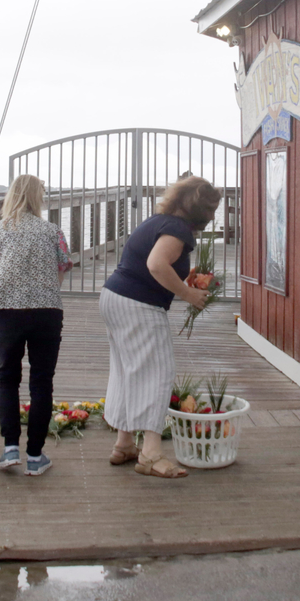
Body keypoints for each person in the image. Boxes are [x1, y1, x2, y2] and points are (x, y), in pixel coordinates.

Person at [99, 175, 223, 478]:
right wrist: (189, 294)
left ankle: (124, 443)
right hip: (138, 304)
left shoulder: (160, 220)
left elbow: (156, 263)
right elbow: (156, 265)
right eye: (211, 210)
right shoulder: (178, 229)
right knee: (158, 372)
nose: (212, 216)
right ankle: (151, 455)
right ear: (200, 210)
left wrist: (186, 278)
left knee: (128, 370)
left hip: (115, 297)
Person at [0, 174, 74, 475]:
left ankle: (9, 449)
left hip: (7, 312)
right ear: (37, 198)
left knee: (7, 379)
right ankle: (35, 455)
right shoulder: (53, 232)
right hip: (46, 312)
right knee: (42, 381)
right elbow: (59, 274)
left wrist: (6, 290)